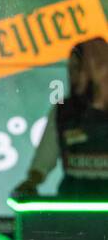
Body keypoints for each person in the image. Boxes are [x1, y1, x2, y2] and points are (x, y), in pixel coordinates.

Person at [13, 37, 108, 200]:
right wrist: (30, 183)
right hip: (73, 201)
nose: (73, 74)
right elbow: (44, 158)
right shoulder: (64, 111)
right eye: (70, 68)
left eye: (78, 67)